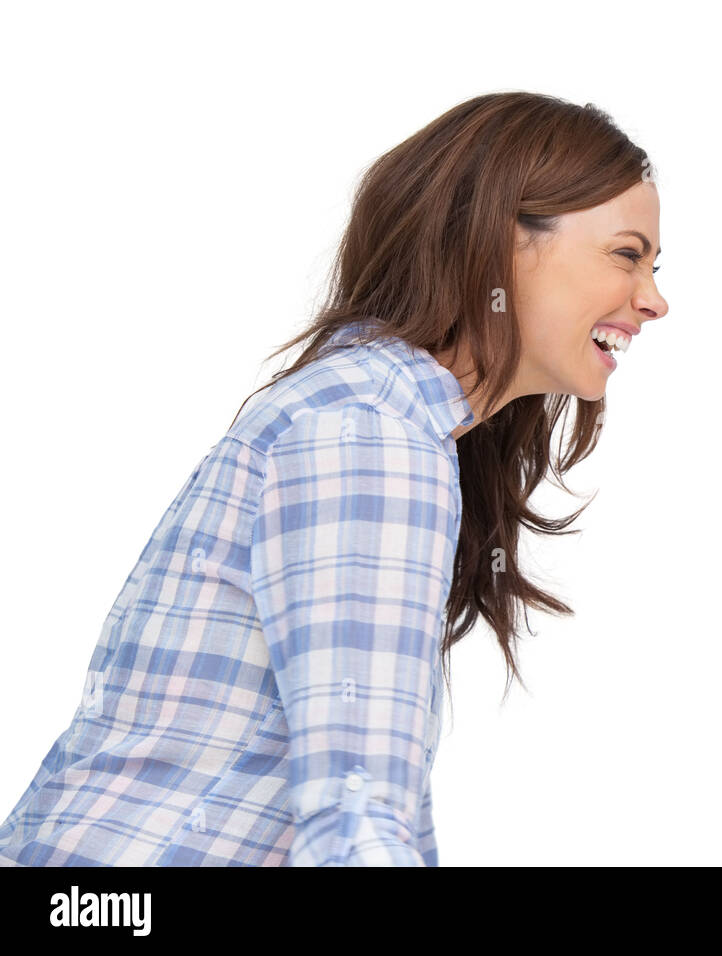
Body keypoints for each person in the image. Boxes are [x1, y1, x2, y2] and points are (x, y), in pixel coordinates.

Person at [0, 91, 667, 866]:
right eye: (626, 255)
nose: (653, 298)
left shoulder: (368, 411)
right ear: (497, 244)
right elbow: (355, 816)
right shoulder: (372, 434)